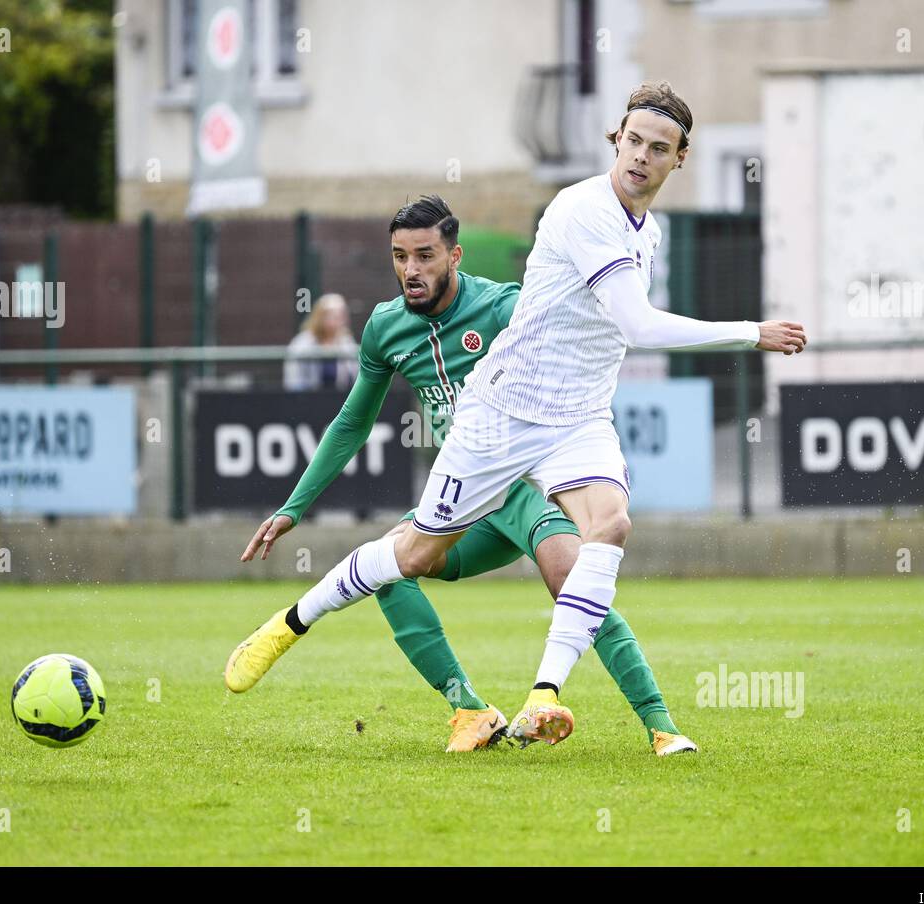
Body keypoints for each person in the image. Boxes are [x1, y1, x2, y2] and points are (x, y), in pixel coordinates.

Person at [227, 81, 807, 750]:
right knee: (407, 558)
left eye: (659, 148)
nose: (641, 157)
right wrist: (751, 332)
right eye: (634, 142)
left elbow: (623, 324)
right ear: (615, 140)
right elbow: (353, 421)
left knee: (605, 530)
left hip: (572, 425)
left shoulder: (627, 241)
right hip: (501, 426)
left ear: (679, 159)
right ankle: (300, 628)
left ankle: (594, 710)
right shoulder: (578, 214)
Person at [237, 196, 694, 755]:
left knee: (570, 580)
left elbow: (575, 358)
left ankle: (661, 726)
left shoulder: (506, 309)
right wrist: (294, 507)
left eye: (425, 255)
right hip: (469, 502)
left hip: (528, 488)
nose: (411, 270)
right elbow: (353, 421)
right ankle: (471, 709)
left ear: (454, 255)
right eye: (400, 257)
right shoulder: (385, 328)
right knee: (394, 572)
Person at [282, 293, 358, 391]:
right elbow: (293, 380)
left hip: (339, 400)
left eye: (341, 315)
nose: (338, 319)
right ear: (319, 316)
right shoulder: (303, 342)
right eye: (332, 314)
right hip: (308, 400)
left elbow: (355, 376)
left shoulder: (347, 341)